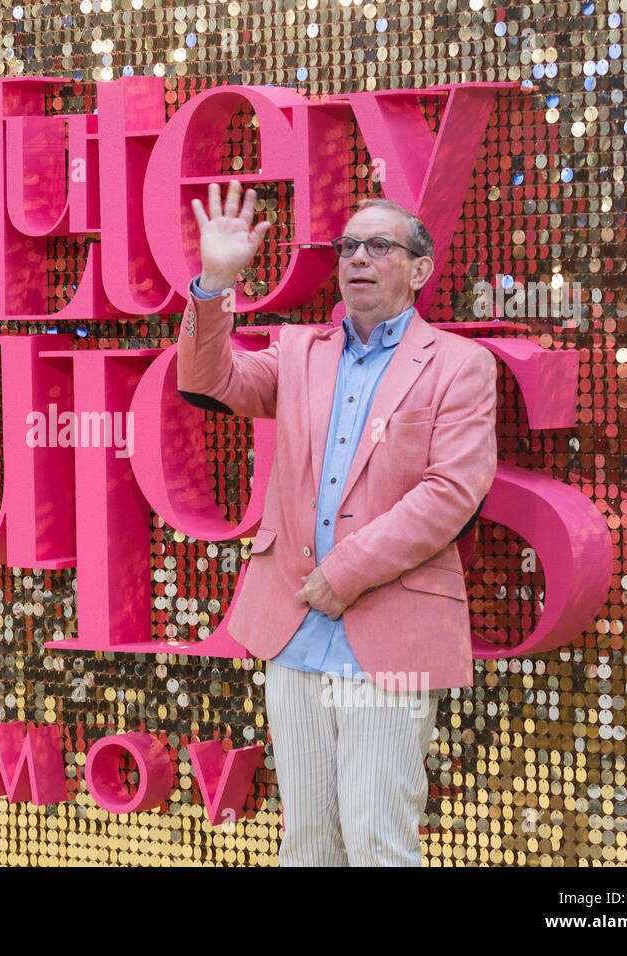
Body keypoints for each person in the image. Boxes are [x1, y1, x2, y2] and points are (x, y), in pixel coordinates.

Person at [177, 180, 498, 866]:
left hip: (393, 637)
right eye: (347, 246)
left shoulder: (460, 365)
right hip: (292, 631)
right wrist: (213, 281)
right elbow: (211, 382)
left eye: (378, 246)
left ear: (419, 270)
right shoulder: (301, 353)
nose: (356, 257)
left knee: (379, 838)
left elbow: (452, 492)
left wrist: (344, 574)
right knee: (308, 843)